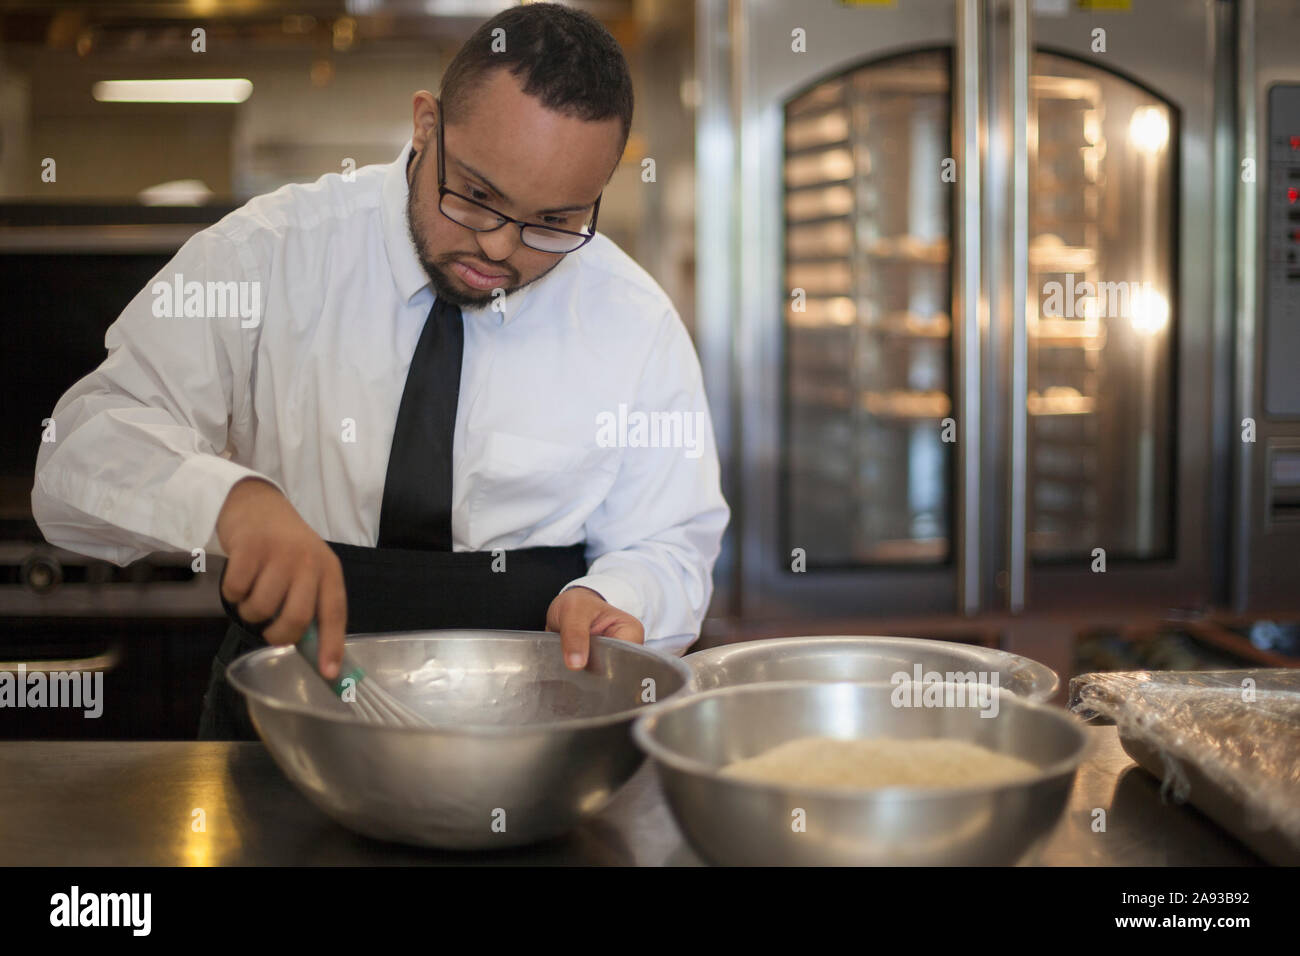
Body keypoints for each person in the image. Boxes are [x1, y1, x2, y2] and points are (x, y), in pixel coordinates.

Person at [30, 3, 729, 740]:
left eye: (552, 222)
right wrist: (232, 503)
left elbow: (671, 539)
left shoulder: (632, 319)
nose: (497, 247)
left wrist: (619, 594)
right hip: (280, 739)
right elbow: (80, 447)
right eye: (477, 197)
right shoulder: (266, 256)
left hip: (533, 743)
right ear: (425, 125)